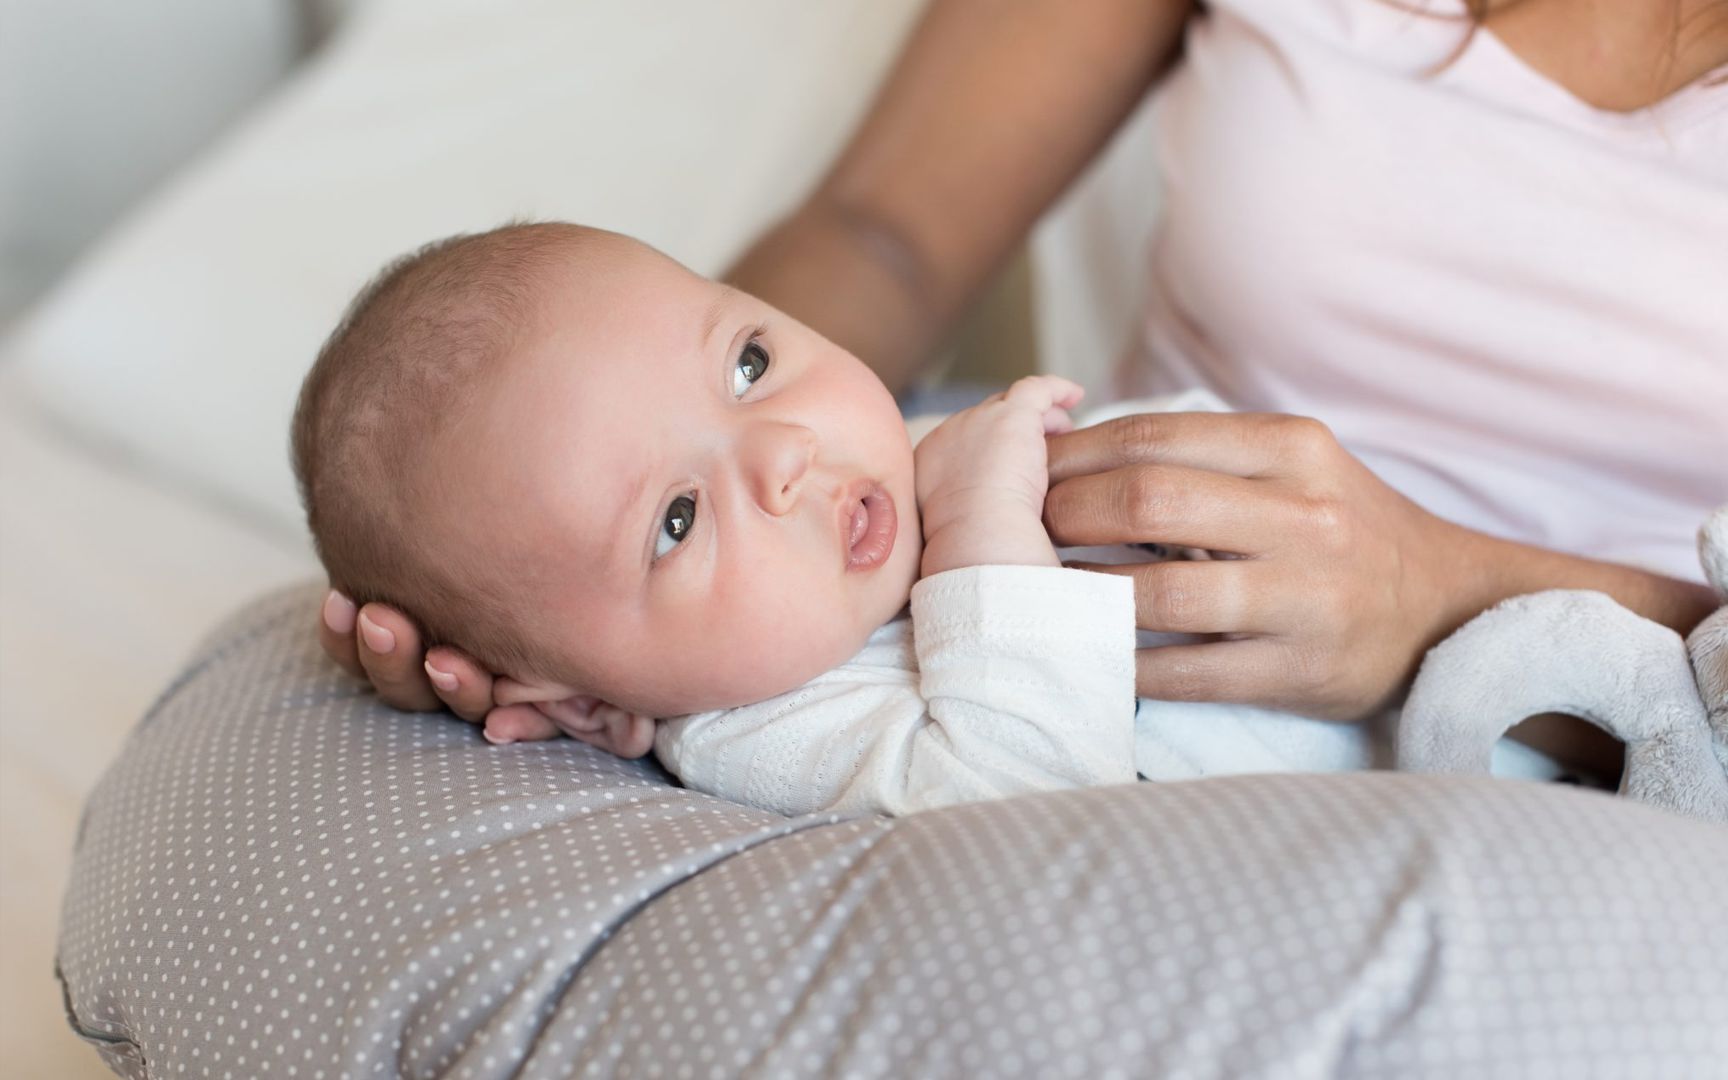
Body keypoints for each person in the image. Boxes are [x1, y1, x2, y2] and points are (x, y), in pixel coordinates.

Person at [316, 0, 1726, 759]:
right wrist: (547, 545)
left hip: (1610, 737)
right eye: (748, 360)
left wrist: (1444, 599)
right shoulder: (763, 649)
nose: (783, 450)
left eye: (753, 370)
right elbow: (886, 234)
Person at [294, 222, 1578, 817]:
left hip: (1525, 685)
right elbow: (1029, 807)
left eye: (749, 362)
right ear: (589, 707)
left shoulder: (894, 468)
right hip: (1486, 810)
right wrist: (980, 528)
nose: (785, 453)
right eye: (676, 520)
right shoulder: (769, 719)